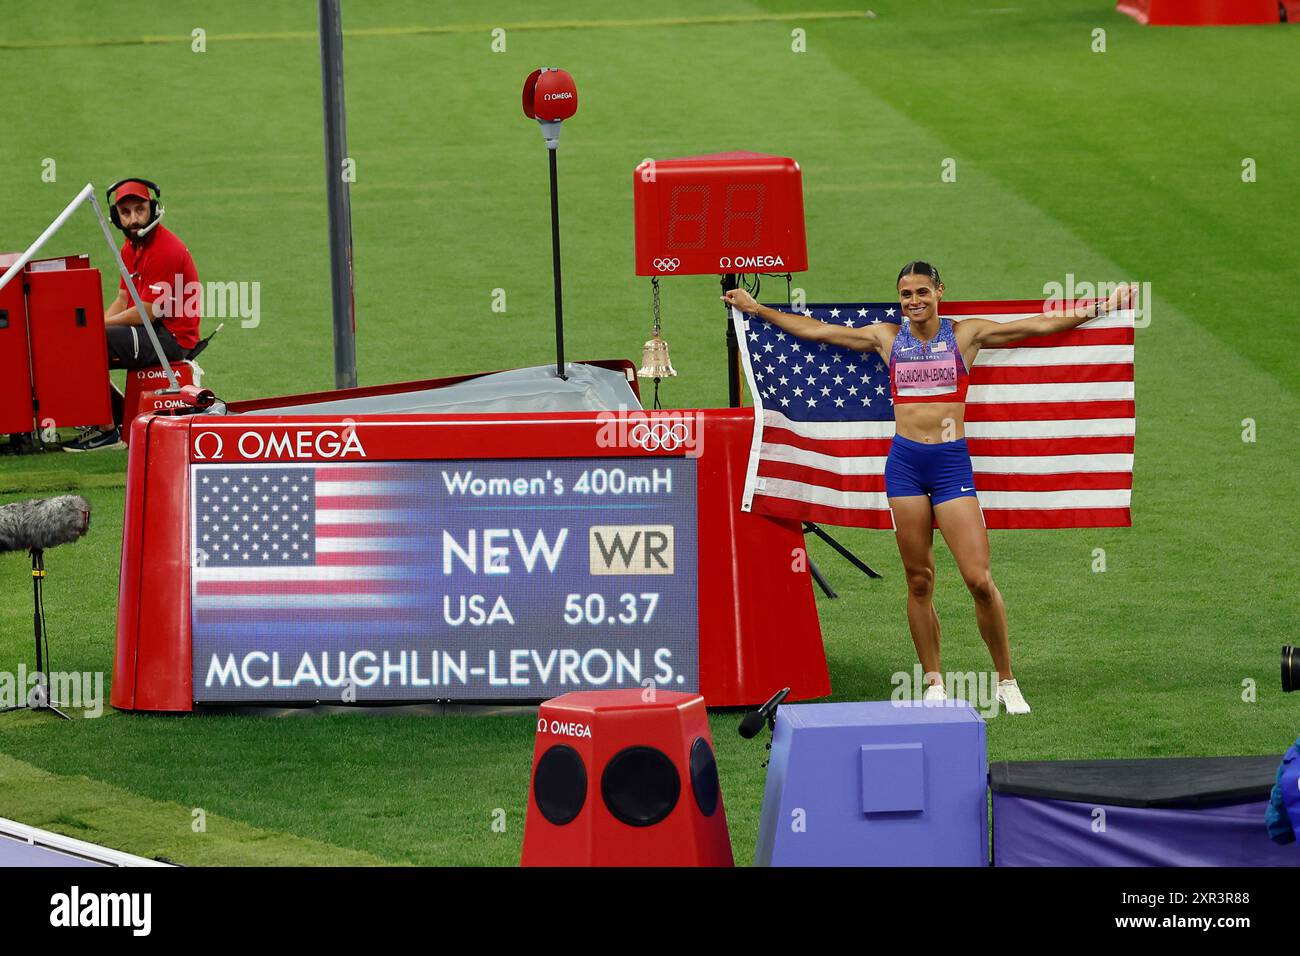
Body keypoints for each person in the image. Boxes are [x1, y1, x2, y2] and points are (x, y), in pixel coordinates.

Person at [723, 262, 1137, 715]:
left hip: (949, 465)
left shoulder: (966, 335)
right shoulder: (885, 338)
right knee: (919, 581)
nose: (914, 301)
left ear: (940, 291)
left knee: (979, 580)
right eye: (906, 294)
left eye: (922, 291)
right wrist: (756, 307)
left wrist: (1104, 305)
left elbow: (1038, 325)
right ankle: (934, 681)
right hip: (904, 467)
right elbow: (819, 332)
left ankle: (1006, 680)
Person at [63, 178, 200, 451]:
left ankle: (107, 431)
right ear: (116, 216)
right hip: (153, 328)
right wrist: (94, 326)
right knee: (86, 340)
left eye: (140, 210)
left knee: (90, 343)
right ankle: (117, 415)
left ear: (153, 209)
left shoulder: (164, 251)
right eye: (126, 213)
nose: (134, 219)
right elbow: (124, 299)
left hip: (171, 338)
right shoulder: (130, 248)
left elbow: (144, 314)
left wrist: (96, 326)